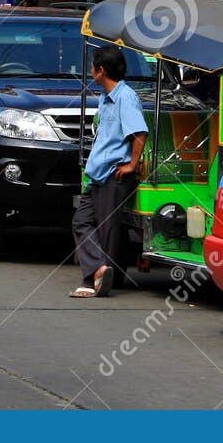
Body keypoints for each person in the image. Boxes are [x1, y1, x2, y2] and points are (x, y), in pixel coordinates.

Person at [71, 45, 148, 298]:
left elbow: (139, 133)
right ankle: (99, 270)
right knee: (81, 221)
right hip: (98, 173)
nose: (91, 70)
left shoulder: (125, 97)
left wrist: (132, 165)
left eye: (93, 66)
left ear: (101, 70)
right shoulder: (106, 98)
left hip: (115, 174)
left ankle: (99, 280)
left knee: (108, 230)